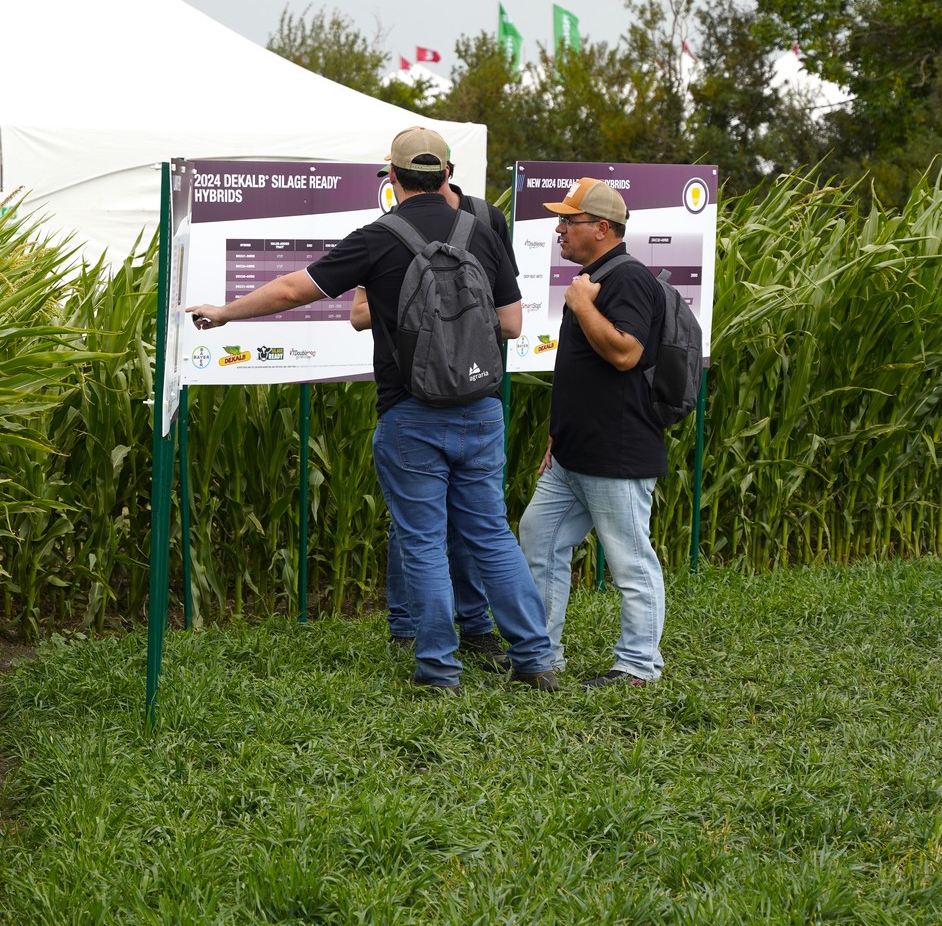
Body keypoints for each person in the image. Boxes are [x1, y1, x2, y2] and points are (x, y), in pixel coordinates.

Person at [186, 127, 562, 691]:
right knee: (490, 535)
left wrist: (226, 312)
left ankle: (438, 670)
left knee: (423, 540)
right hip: (481, 409)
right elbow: (510, 324)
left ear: (393, 177)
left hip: (409, 413)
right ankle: (534, 660)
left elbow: (294, 289)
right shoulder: (482, 233)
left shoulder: (378, 237)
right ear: (447, 175)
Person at [352, 179, 513, 663]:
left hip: (439, 400)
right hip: (466, 399)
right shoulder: (388, 232)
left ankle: (455, 643)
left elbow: (505, 318)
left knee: (444, 534)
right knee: (462, 531)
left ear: (395, 176)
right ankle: (413, 628)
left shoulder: (485, 220)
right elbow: (361, 314)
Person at [517, 177, 669, 687]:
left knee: (630, 561)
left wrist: (583, 303)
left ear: (602, 228)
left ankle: (638, 667)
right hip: (573, 454)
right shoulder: (595, 275)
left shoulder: (625, 280)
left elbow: (626, 353)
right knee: (538, 538)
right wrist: (559, 434)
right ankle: (542, 656)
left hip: (616, 454)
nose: (559, 229)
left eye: (569, 220)